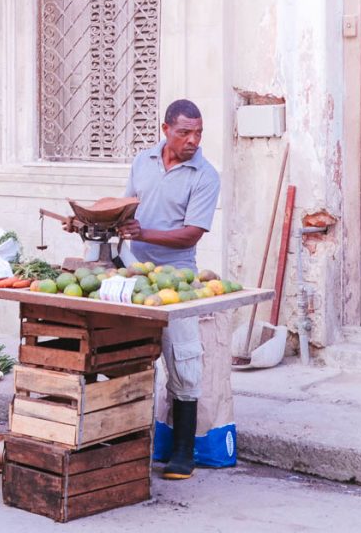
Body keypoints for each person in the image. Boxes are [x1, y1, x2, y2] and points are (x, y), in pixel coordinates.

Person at [117, 99, 220, 480]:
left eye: (198, 133)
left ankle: (182, 453)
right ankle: (128, 442)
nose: (193, 140)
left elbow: (191, 233)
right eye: (184, 132)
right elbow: (127, 207)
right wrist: (103, 220)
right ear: (165, 130)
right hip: (133, 272)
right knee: (129, 359)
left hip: (178, 278)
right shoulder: (142, 161)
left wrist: (145, 233)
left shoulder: (205, 175)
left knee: (183, 359)